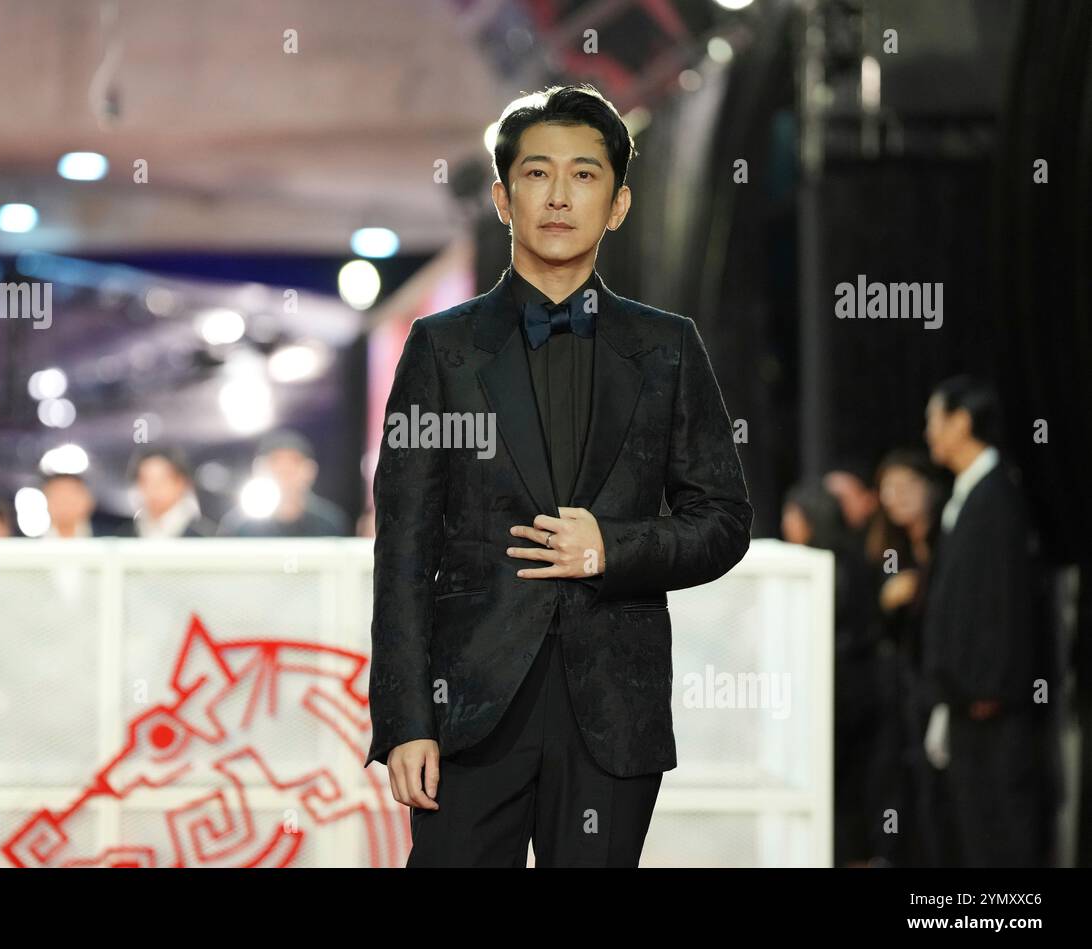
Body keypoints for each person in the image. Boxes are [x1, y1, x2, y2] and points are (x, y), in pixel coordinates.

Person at [365, 83, 753, 867]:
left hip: (613, 707)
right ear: (504, 199)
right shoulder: (442, 349)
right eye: (537, 174)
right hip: (469, 711)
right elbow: (402, 547)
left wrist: (612, 546)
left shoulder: (668, 348)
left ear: (618, 204)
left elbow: (723, 520)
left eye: (584, 175)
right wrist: (405, 719)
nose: (559, 196)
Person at [919, 375, 1054, 866]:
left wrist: (988, 687)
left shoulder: (997, 496)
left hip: (989, 705)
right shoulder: (969, 493)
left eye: (934, 419)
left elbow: (1006, 600)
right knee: (973, 832)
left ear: (962, 421)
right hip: (967, 700)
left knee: (1001, 834)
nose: (929, 432)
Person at [782, 479, 883, 866]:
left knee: (832, 787)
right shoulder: (854, 559)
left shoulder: (815, 568)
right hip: (857, 691)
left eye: (793, 514)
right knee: (851, 790)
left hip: (832, 694)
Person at [866, 449, 946, 867]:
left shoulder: (948, 540)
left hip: (939, 686)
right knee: (896, 780)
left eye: (905, 486)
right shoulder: (884, 547)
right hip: (897, 692)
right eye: (887, 489)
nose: (895, 497)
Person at [218, 429, 351, 536]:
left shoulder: (331, 522)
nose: (285, 471)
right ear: (258, 469)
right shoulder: (238, 525)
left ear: (311, 470)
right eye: (275, 462)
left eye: (295, 462)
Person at [121, 446, 215, 538]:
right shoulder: (126, 532)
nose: (152, 489)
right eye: (145, 481)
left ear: (181, 482)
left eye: (161, 481)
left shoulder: (202, 535)